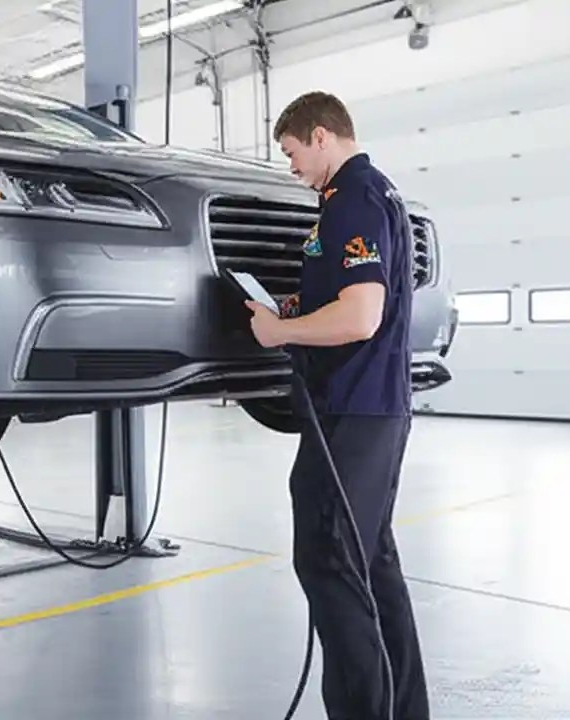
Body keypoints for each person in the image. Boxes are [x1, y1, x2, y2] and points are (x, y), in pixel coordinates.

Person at [245, 91, 430, 720]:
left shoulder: (353, 199)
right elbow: (346, 297)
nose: (292, 167)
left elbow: (361, 316)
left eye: (293, 154)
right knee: (370, 562)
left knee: (328, 557)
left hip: (356, 410)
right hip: (370, 408)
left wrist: (280, 334)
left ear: (321, 136)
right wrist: (291, 310)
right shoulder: (364, 197)